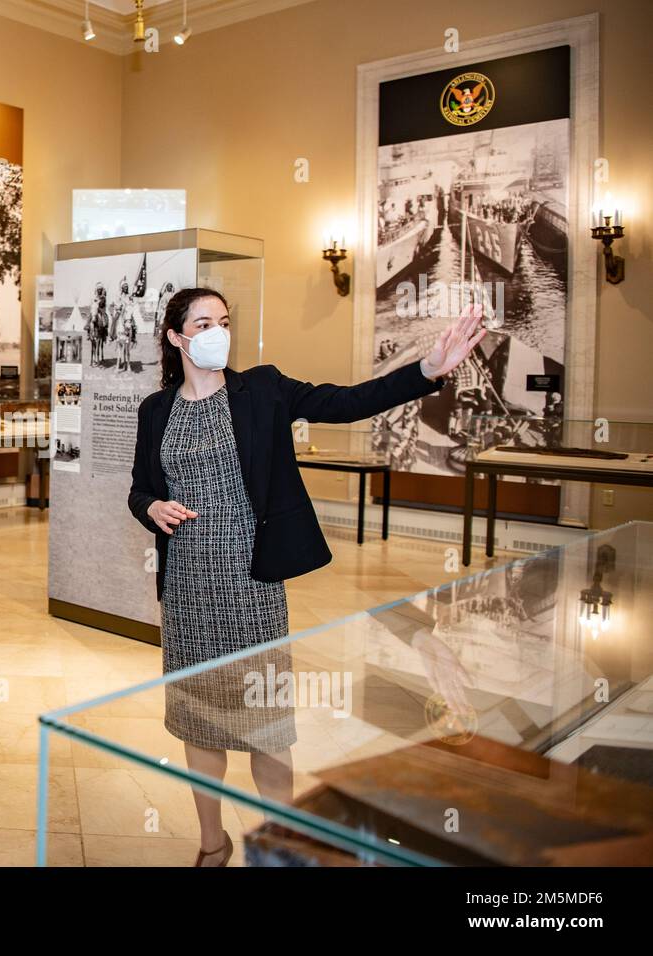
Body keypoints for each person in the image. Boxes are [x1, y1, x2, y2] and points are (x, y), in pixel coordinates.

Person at [127, 288, 485, 867]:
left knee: (266, 726)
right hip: (189, 591)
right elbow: (141, 488)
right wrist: (152, 509)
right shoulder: (156, 410)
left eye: (224, 319)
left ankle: (280, 846)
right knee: (200, 722)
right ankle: (212, 843)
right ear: (175, 337)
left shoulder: (262, 390)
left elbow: (346, 401)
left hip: (254, 585)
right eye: (202, 322)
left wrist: (425, 371)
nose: (218, 330)